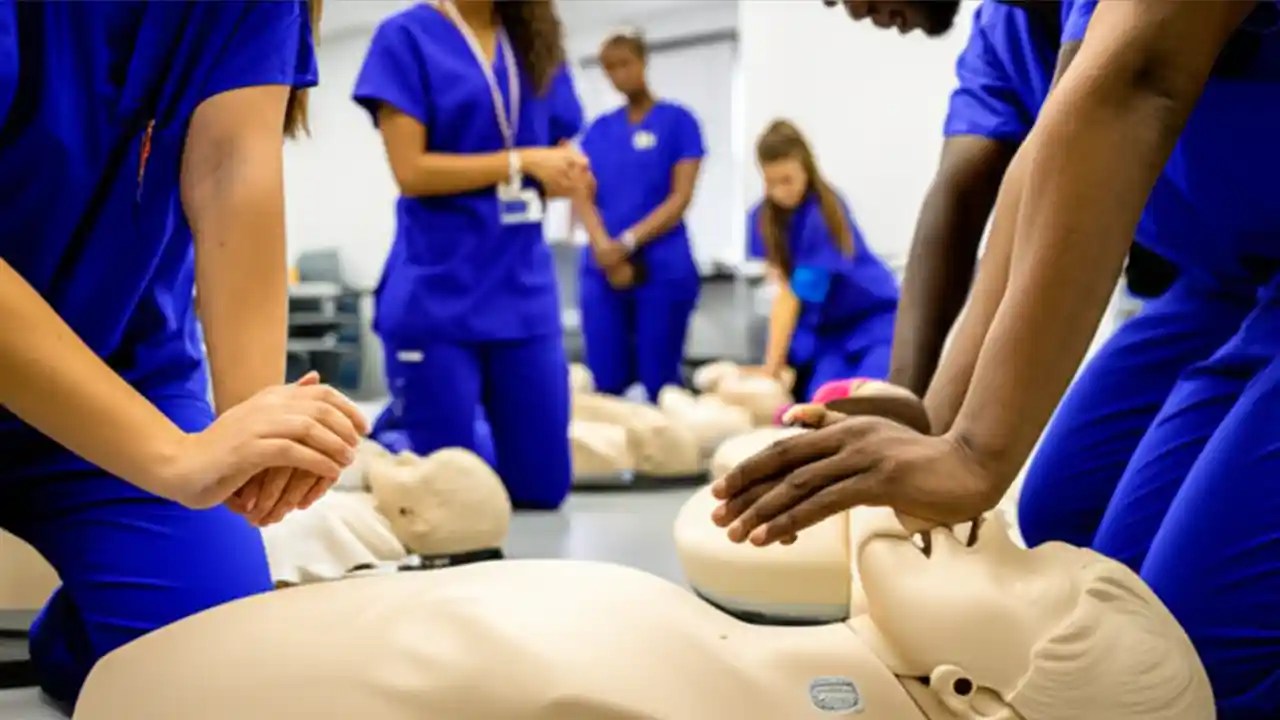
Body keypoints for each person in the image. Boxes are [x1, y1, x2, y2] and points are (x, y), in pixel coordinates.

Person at [715, 1, 1280, 716]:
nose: (846, 6)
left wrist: (977, 452)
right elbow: (1022, 178)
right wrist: (935, 417)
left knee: (1200, 640)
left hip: (1250, 271)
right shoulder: (1016, 25)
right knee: (1067, 520)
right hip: (1227, 279)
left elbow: (1135, 82)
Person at [0, 0, 370, 706]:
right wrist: (176, 460)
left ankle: (85, 625)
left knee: (223, 675)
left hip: (126, 375)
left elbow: (234, 167)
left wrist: (252, 441)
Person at [830, 0, 1178, 398]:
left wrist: (962, 445)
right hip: (1195, 294)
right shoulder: (1002, 34)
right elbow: (957, 198)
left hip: (1256, 278)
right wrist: (905, 400)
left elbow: (1057, 178)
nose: (854, 12)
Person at [353, 0, 587, 511]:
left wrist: (567, 170)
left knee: (542, 489)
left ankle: (412, 432)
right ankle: (393, 441)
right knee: (456, 493)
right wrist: (521, 160)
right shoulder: (407, 37)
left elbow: (563, 145)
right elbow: (411, 171)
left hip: (522, 290)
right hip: (439, 291)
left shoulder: (534, 41)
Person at [574, 29, 705, 402]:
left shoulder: (679, 122)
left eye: (625, 64)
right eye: (609, 69)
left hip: (661, 261)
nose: (619, 75)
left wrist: (627, 243)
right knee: (606, 382)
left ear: (643, 62)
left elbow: (681, 196)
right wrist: (605, 249)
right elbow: (580, 194)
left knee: (658, 382)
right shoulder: (598, 131)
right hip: (603, 266)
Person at [752, 120, 899, 401]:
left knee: (869, 400)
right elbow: (779, 288)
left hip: (874, 322)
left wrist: (772, 368)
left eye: (787, 180)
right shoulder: (763, 219)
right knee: (820, 402)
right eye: (771, 182)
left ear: (806, 168)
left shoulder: (824, 214)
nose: (780, 191)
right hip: (829, 336)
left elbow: (792, 296)